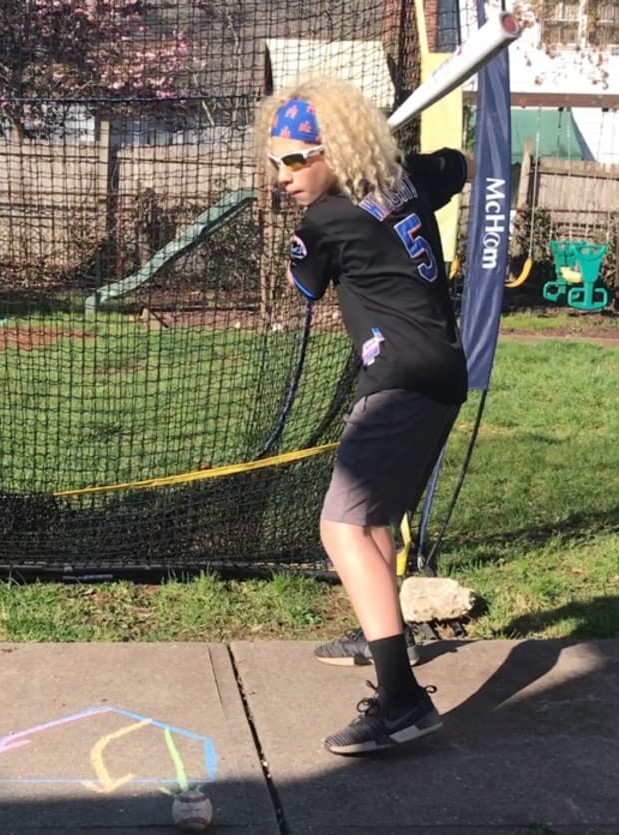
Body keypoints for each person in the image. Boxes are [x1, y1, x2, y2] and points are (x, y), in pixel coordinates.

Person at [254, 77, 474, 755]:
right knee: (374, 519)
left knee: (342, 527)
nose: (283, 176)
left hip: (399, 381)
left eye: (298, 159)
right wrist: (382, 163)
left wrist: (309, 226)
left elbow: (304, 284)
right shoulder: (406, 180)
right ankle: (387, 636)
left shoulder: (326, 221)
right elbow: (461, 164)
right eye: (275, 162)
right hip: (441, 373)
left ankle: (402, 702)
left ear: (336, 152)